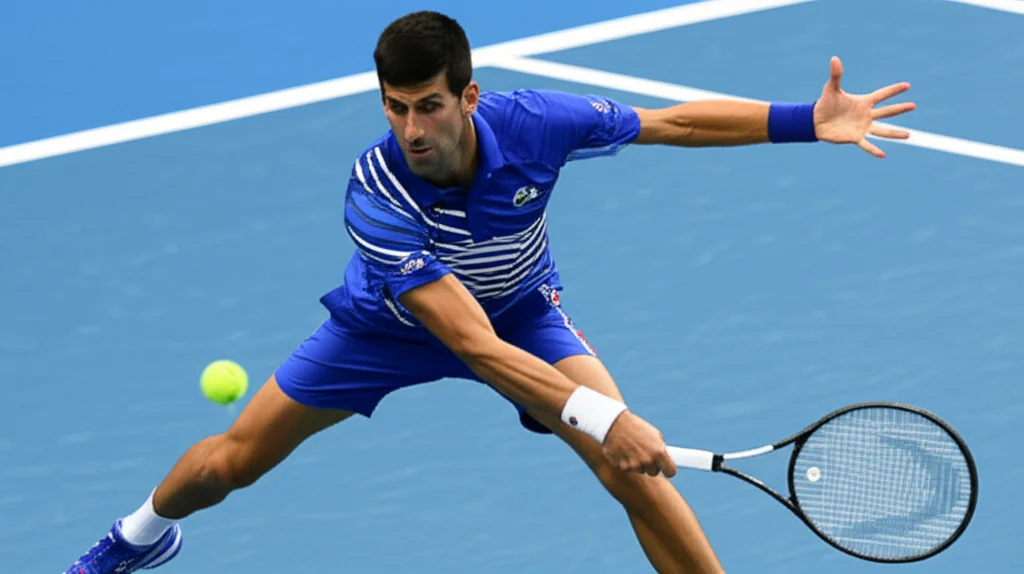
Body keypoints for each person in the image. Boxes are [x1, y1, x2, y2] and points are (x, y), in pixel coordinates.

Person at [64, 10, 915, 574]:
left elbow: (673, 124)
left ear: (468, 96)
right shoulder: (378, 190)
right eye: (394, 108)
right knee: (229, 464)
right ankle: (138, 535)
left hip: (520, 309)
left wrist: (808, 119)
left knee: (639, 481)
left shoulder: (535, 123)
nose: (411, 130)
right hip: (388, 329)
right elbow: (470, 347)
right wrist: (605, 419)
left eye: (428, 106)